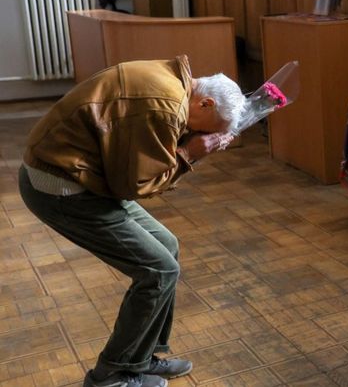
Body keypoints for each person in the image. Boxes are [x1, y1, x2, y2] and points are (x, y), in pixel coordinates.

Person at [18, 55, 246, 387]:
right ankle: (110, 374)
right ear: (206, 102)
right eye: (209, 129)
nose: (202, 134)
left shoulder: (177, 83)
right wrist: (191, 154)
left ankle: (140, 358)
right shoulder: (163, 110)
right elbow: (135, 186)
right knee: (158, 269)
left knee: (168, 246)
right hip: (59, 186)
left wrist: (188, 144)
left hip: (80, 173)